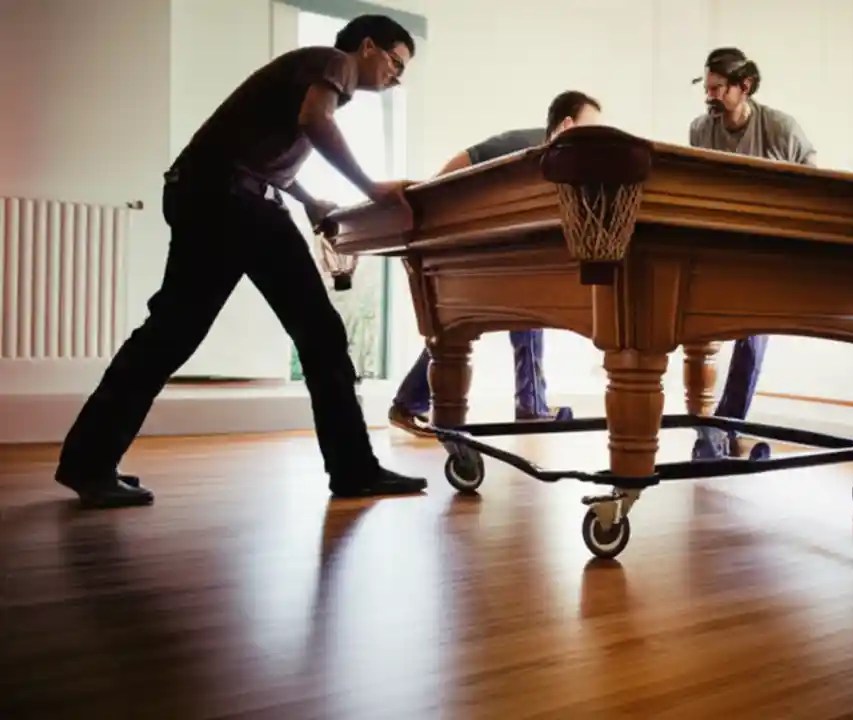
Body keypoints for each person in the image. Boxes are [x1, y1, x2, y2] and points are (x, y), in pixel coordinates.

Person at [54, 15, 430, 508]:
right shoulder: (334, 62)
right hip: (234, 200)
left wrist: (311, 201)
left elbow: (263, 155)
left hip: (205, 192)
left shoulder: (306, 75)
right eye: (396, 63)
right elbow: (315, 122)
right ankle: (354, 469)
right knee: (319, 332)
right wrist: (372, 188)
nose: (396, 78)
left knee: (169, 333)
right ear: (367, 46)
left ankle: (88, 461)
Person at [388, 91, 603, 434]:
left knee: (524, 312)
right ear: (567, 125)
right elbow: (463, 161)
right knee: (459, 325)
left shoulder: (569, 170)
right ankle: (414, 403)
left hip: (512, 252)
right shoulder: (525, 144)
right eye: (591, 130)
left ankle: (530, 405)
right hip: (470, 246)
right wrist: (425, 206)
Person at [688, 47, 817, 451]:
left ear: (744, 86)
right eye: (706, 87)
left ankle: (725, 426)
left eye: (717, 88)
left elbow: (814, 185)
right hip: (718, 247)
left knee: (753, 331)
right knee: (698, 330)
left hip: (768, 254)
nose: (709, 96)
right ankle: (708, 427)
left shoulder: (781, 128)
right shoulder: (700, 130)